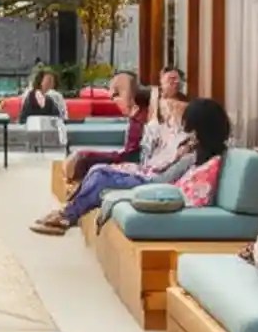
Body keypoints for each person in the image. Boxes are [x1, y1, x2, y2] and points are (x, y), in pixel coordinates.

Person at [31, 97, 231, 236]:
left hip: (154, 185)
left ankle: (67, 217)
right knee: (97, 170)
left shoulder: (205, 160)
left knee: (101, 175)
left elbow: (169, 182)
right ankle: (67, 213)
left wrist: (162, 167)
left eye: (192, 130)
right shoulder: (195, 152)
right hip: (152, 177)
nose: (189, 134)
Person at [62, 72, 148, 181]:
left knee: (80, 163)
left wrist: (85, 156)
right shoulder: (136, 117)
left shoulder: (144, 117)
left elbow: (131, 155)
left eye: (117, 94)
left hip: (139, 164)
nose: (114, 101)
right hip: (133, 159)